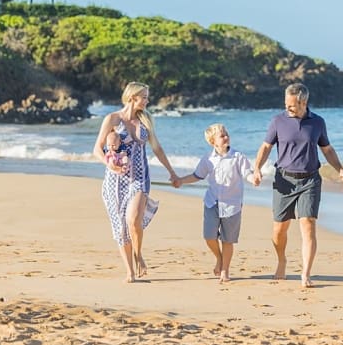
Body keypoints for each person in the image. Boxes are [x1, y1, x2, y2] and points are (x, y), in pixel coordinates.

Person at [253, 83, 343, 288]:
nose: (287, 108)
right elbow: (265, 147)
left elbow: (327, 150)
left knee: (308, 225)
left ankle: (305, 273)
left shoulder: (317, 122)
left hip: (310, 180)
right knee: (279, 229)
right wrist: (257, 169)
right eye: (286, 104)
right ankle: (282, 260)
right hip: (284, 180)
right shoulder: (278, 121)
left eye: (292, 105)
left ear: (303, 102)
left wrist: (341, 170)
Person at [92, 81, 179, 282]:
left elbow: (157, 148)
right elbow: (97, 149)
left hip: (139, 178)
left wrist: (172, 172)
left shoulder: (146, 120)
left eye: (147, 97)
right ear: (132, 97)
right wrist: (109, 164)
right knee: (121, 227)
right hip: (115, 181)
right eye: (145, 97)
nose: (147, 100)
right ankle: (130, 272)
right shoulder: (112, 119)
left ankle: (138, 255)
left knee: (133, 219)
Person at [173, 123, 253, 283]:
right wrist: (181, 180)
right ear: (212, 142)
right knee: (209, 236)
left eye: (226, 134)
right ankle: (219, 257)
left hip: (232, 205)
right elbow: (197, 176)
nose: (226, 137)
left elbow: (248, 173)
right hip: (212, 202)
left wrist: (254, 178)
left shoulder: (238, 157)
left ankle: (225, 269)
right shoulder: (208, 159)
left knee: (228, 240)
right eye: (222, 135)